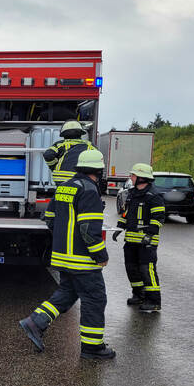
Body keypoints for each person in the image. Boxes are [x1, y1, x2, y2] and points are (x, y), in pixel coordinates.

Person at [19, 148, 116, 360]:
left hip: (63, 257)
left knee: (67, 293)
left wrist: (64, 243)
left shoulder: (64, 187)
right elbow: (89, 230)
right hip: (82, 260)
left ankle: (35, 322)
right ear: (98, 171)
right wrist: (101, 255)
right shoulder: (89, 190)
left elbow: (50, 219)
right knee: (95, 298)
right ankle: (92, 348)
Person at [115, 163, 165, 313]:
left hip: (146, 242)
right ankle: (139, 295)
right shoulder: (132, 193)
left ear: (142, 178)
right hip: (130, 241)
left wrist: (149, 235)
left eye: (133, 175)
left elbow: (158, 218)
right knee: (131, 268)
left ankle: (154, 301)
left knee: (146, 270)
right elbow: (126, 213)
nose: (131, 177)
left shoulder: (154, 196)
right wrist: (120, 227)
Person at [43, 120, 96, 185]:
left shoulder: (60, 144)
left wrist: (54, 167)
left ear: (64, 134)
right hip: (81, 179)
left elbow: (48, 155)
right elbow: (97, 159)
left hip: (61, 178)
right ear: (80, 134)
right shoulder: (90, 145)